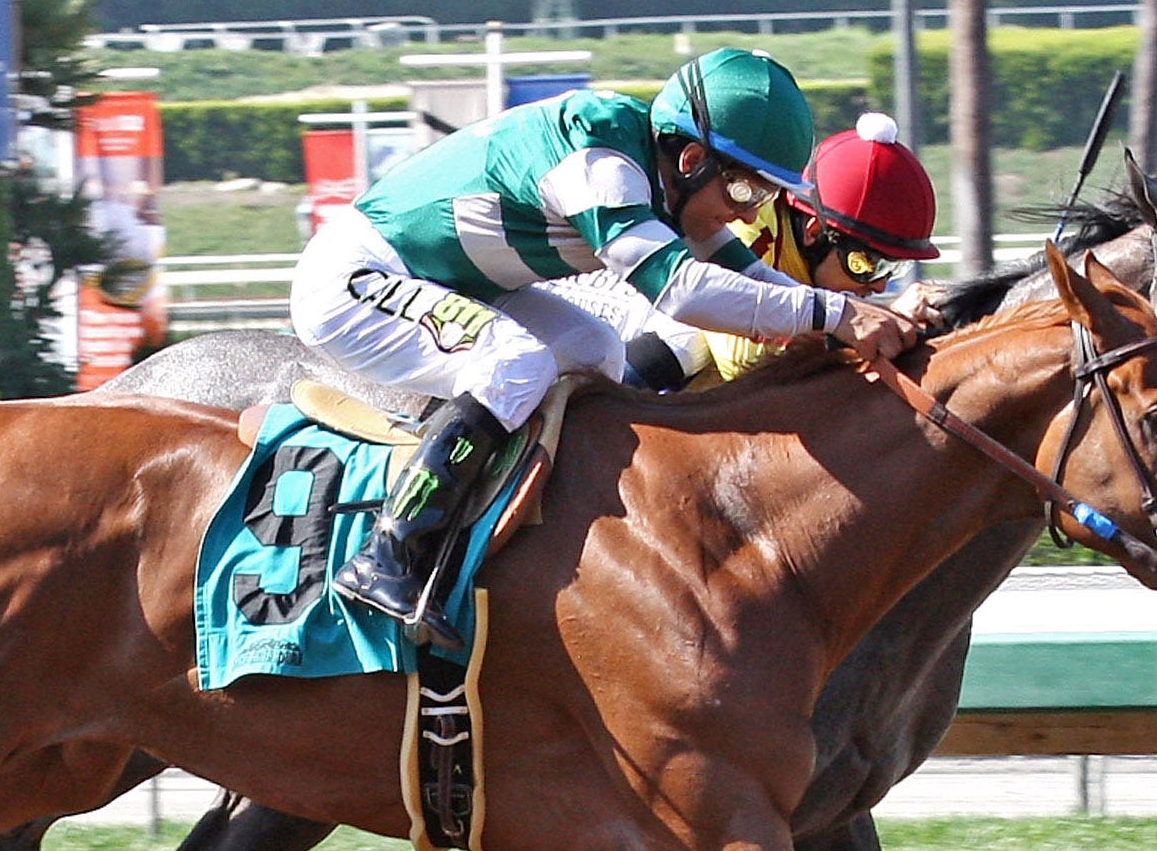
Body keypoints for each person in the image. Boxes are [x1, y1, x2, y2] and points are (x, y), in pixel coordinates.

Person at [291, 47, 930, 646]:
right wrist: (835, 313)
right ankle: (390, 552)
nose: (746, 214)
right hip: (359, 277)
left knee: (597, 351)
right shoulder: (601, 165)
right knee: (514, 362)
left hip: (454, 280)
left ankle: (528, 531)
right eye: (743, 192)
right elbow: (679, 292)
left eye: (763, 197)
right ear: (690, 161)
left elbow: (744, 279)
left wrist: (852, 314)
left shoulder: (670, 173)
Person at [604, 111, 942, 390]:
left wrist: (878, 320)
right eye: (866, 263)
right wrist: (877, 320)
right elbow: (739, 358)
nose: (879, 285)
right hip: (613, 317)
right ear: (813, 234)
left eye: (891, 268)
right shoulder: (746, 221)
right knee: (689, 341)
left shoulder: (800, 243)